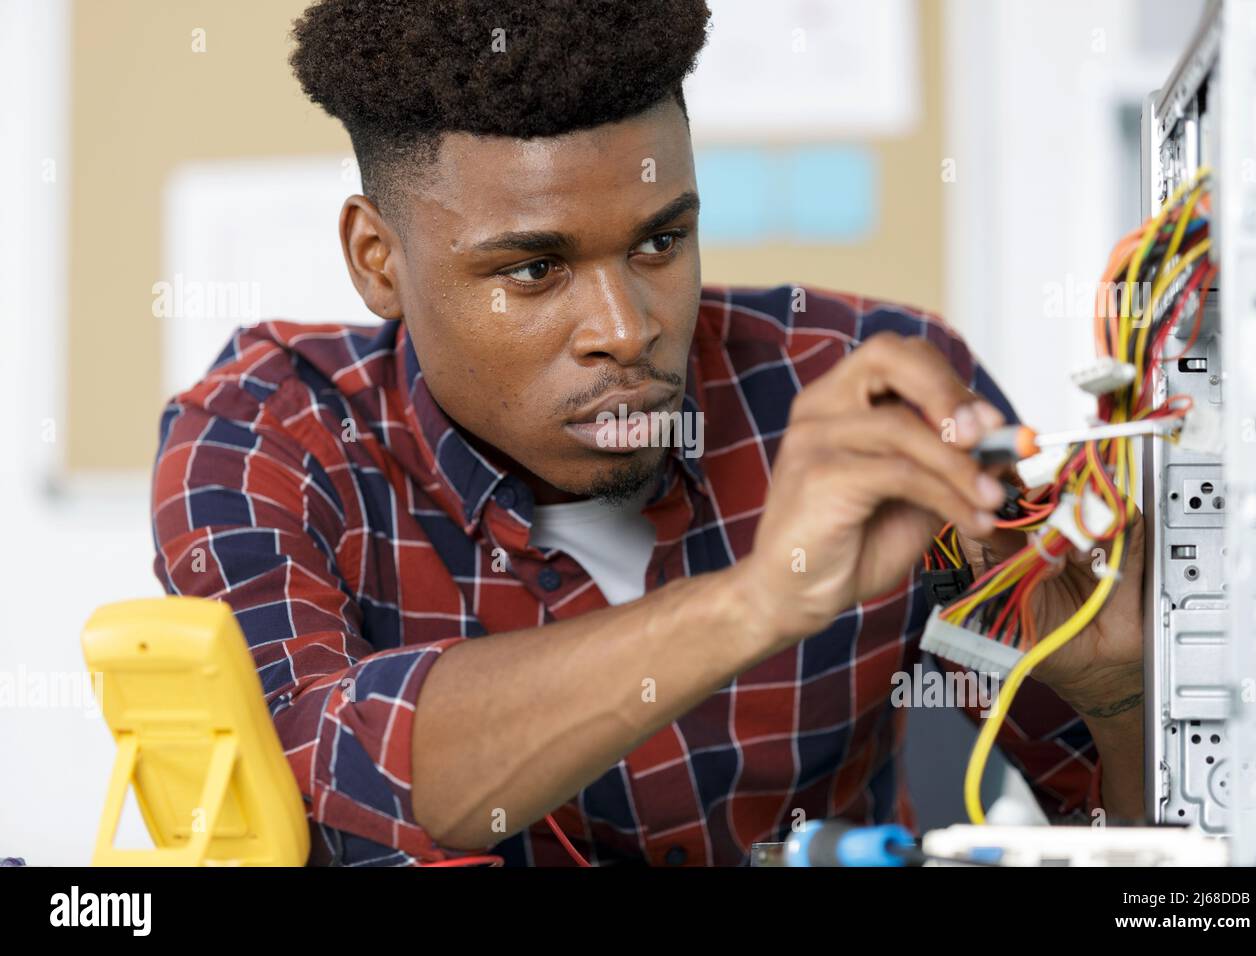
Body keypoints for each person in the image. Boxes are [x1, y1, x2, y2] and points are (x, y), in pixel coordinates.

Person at [151, 0, 1145, 866]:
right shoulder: (265, 434)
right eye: (533, 271)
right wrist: (759, 599)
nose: (627, 329)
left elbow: (1153, 855)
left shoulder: (870, 388)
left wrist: (1114, 699)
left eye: (660, 241)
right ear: (378, 259)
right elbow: (318, 774)